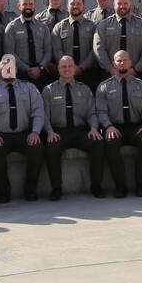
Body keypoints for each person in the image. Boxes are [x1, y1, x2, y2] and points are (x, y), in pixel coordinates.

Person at [0, 54, 46, 203]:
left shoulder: (29, 88)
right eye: (4, 67)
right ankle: (4, 192)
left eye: (11, 67)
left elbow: (38, 112)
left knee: (37, 148)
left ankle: (30, 190)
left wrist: (35, 132)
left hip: (25, 133)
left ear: (16, 69)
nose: (8, 69)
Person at [42, 55, 105, 200]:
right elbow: (44, 116)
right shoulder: (49, 91)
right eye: (63, 67)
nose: (67, 69)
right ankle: (56, 188)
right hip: (58, 131)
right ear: (58, 69)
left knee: (97, 143)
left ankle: (96, 186)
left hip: (80, 130)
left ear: (75, 68)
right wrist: (50, 132)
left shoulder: (85, 89)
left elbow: (92, 113)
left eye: (70, 66)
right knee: (51, 147)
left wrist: (94, 129)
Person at [95, 49, 142, 197]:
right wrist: (108, 126)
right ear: (114, 64)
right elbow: (101, 111)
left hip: (137, 126)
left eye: (125, 60)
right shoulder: (104, 86)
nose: (122, 63)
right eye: (119, 61)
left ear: (131, 62)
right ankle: (120, 186)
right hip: (115, 127)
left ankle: (141, 184)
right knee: (110, 142)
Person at [95, 0, 142, 82]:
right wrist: (111, 69)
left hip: (137, 75)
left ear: (131, 4)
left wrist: (136, 69)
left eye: (125, 3)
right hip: (110, 76)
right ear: (114, 5)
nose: (122, 6)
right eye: (119, 3)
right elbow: (98, 49)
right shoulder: (104, 25)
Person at [5, 0, 55, 86]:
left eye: (30, 4)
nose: (28, 7)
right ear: (19, 6)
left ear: (35, 6)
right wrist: (27, 69)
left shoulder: (43, 27)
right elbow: (10, 52)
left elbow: (48, 51)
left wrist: (40, 68)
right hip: (20, 74)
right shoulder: (12, 27)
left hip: (41, 73)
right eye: (24, 4)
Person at [53, 0, 99, 91]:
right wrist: (68, 67)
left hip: (88, 73)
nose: (75, 6)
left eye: (78, 4)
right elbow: (57, 50)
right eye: (72, 4)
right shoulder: (59, 27)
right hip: (65, 73)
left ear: (83, 6)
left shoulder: (92, 27)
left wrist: (81, 67)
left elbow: (94, 50)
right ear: (67, 6)